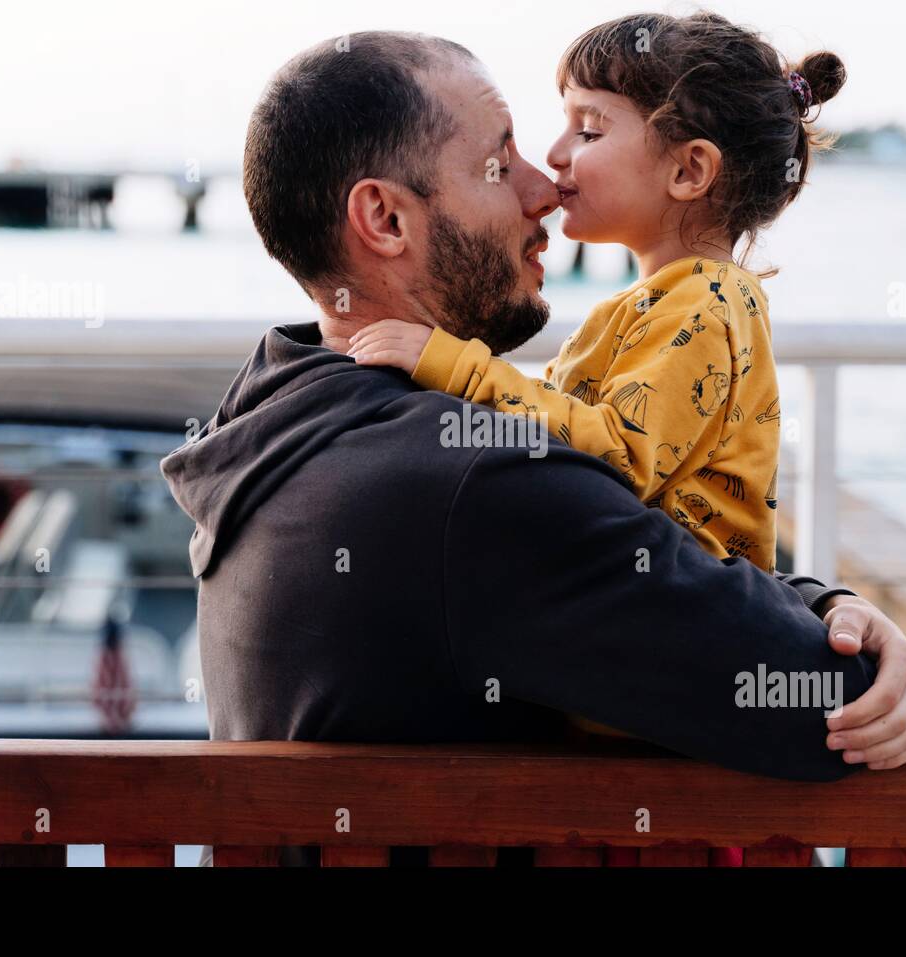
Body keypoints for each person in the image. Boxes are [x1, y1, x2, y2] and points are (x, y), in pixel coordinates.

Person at [159, 31, 906, 861]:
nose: (544, 186)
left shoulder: (279, 412)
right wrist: (833, 625)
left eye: (577, 135)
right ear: (385, 218)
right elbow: (825, 704)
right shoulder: (475, 487)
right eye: (500, 164)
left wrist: (813, 598)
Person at [349, 12, 844, 745]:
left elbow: (615, 454)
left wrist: (450, 363)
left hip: (676, 663)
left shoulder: (708, 304)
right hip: (651, 666)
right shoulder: (660, 304)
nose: (553, 156)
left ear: (688, 170)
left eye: (588, 130)